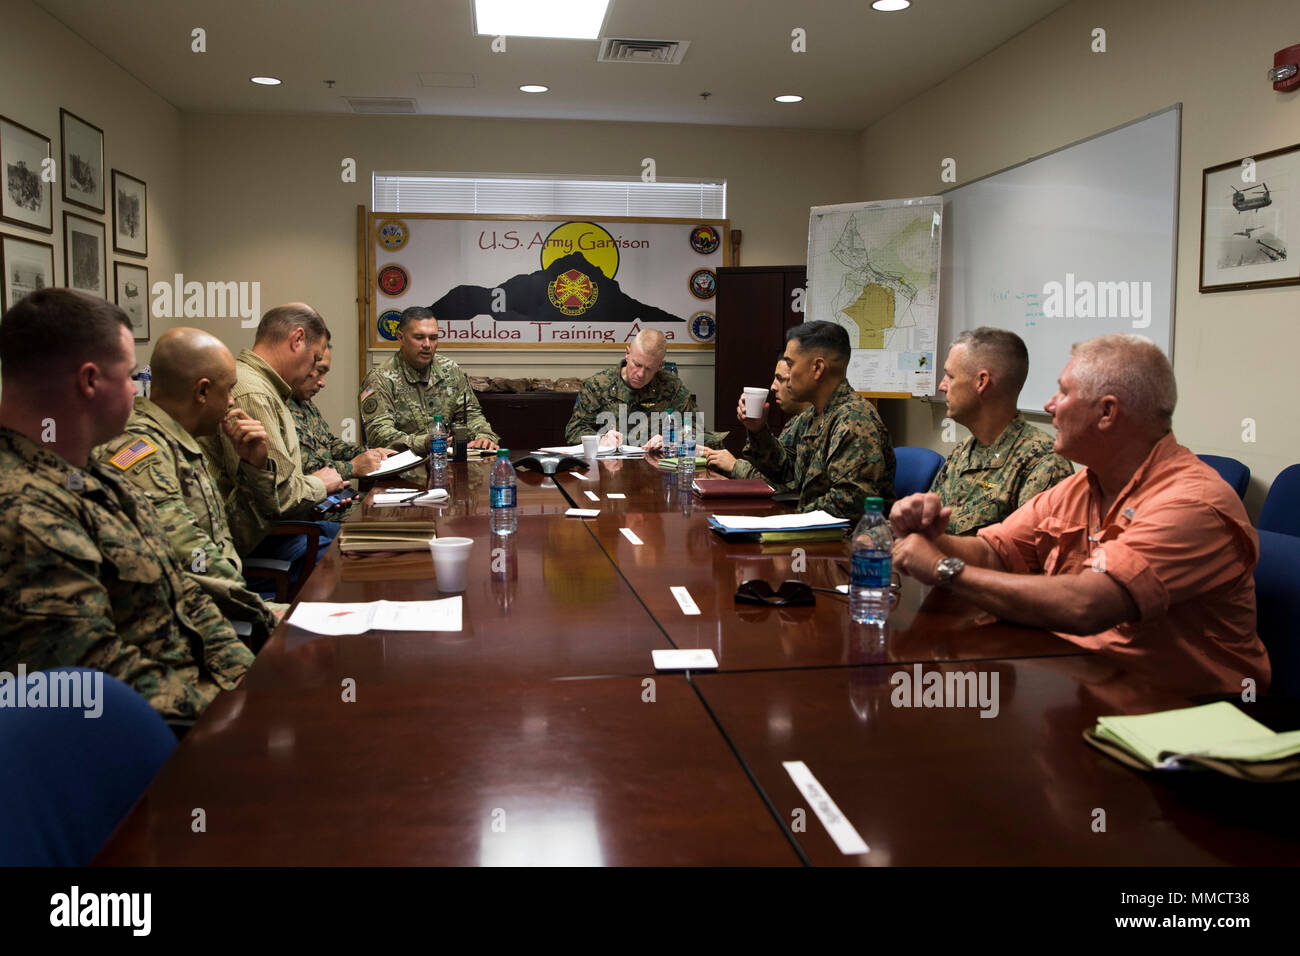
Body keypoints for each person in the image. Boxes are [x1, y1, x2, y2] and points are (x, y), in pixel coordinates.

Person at [890, 334, 1269, 694]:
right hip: (1089, 679)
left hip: (1185, 713)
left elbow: (1087, 604)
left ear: (1107, 412)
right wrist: (932, 538)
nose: (1050, 405)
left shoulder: (1191, 503)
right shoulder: (1085, 484)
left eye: (1064, 392)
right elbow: (995, 552)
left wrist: (943, 568)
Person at [0, 289, 252, 719]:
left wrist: (250, 679)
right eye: (131, 377)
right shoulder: (23, 512)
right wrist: (234, 716)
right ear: (90, 381)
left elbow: (184, 593)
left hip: (204, 698)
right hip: (153, 741)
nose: (139, 392)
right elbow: (96, 681)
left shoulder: (98, 476)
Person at [95, 327, 284, 648]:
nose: (232, 401)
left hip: (223, 614)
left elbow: (233, 541)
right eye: (229, 390)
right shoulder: (145, 457)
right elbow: (194, 566)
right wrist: (267, 613)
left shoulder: (183, 446)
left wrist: (253, 469)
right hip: (190, 635)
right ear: (202, 392)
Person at [201, 303, 346, 552]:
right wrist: (321, 484)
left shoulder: (269, 388)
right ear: (297, 339)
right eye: (314, 359)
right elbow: (274, 499)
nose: (314, 370)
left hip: (281, 529)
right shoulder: (254, 393)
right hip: (261, 540)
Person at [730, 321, 895, 522]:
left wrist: (788, 517)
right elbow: (786, 473)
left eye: (790, 364)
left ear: (817, 368)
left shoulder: (853, 420)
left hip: (845, 544)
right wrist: (758, 430)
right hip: (814, 533)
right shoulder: (813, 416)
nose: (787, 375)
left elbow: (851, 504)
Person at [929, 328, 1073, 534]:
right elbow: (928, 523)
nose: (942, 386)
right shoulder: (964, 451)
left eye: (950, 376)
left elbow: (1025, 556)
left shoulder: (1043, 463)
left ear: (981, 382)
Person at [360, 306, 498, 479]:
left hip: (448, 474)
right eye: (419, 337)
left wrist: (483, 436)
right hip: (400, 477)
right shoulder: (380, 379)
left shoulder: (451, 371)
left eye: (433, 338)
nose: (427, 345)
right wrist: (424, 443)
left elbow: (470, 414)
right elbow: (379, 435)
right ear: (401, 338)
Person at [564, 329, 724, 449]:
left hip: (657, 474)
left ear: (660, 365)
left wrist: (671, 440)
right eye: (637, 364)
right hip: (609, 472)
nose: (640, 374)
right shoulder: (599, 385)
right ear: (627, 354)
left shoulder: (671, 387)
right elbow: (574, 431)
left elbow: (700, 433)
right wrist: (600, 439)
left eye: (649, 369)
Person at [291, 341, 395, 480]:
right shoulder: (279, 404)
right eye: (319, 371)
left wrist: (369, 453)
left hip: (328, 496)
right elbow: (308, 470)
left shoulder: (304, 402)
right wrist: (352, 467)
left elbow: (329, 444)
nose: (323, 383)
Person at [701, 359, 809, 484]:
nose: (773, 387)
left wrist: (734, 466)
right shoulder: (798, 420)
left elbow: (788, 486)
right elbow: (779, 473)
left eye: (780, 379)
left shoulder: (823, 421)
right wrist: (757, 430)